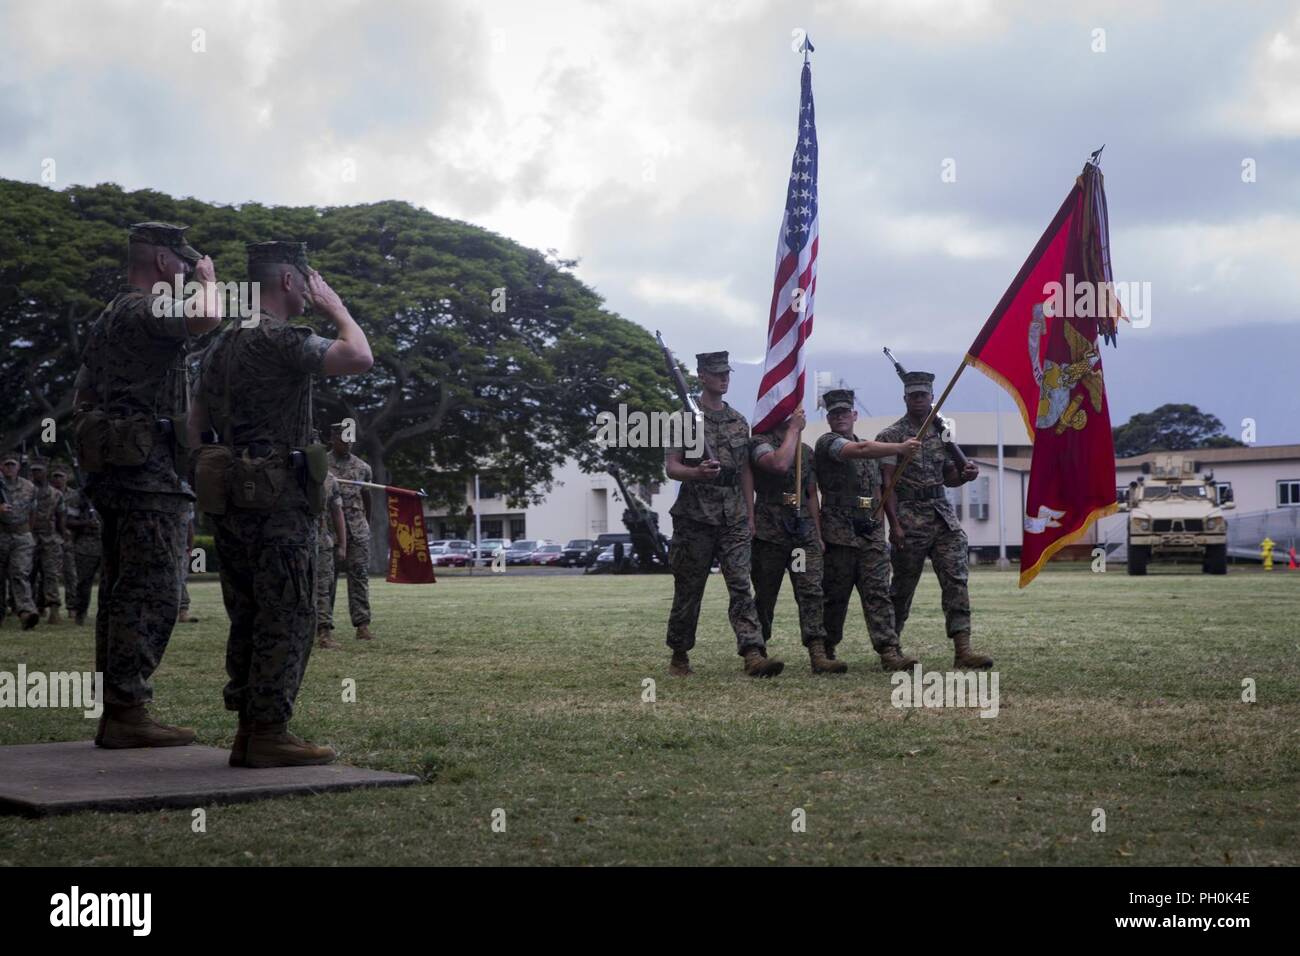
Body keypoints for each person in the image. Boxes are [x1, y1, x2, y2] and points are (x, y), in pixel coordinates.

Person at [189, 240, 372, 767]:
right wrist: (337, 310)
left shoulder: (222, 342)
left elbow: (195, 421)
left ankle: (249, 729)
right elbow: (358, 355)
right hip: (279, 501)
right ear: (290, 282)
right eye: (308, 278)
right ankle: (269, 730)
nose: (313, 287)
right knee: (290, 611)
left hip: (228, 494)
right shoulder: (280, 337)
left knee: (246, 610)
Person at [72, 221, 221, 747]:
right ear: (162, 263)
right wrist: (207, 280)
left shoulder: (110, 314)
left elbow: (83, 392)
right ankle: (128, 710)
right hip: (147, 473)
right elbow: (207, 317)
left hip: (116, 466)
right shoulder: (147, 306)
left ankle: (120, 709)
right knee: (154, 588)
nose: (186, 270)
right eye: (182, 263)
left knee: (119, 590)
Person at [663, 351, 782, 677]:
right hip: (695, 516)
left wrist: (750, 511)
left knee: (741, 585)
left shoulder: (738, 421)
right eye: (716, 374)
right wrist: (696, 472)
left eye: (726, 373)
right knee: (689, 588)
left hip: (734, 516)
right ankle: (680, 653)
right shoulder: (683, 419)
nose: (723, 378)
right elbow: (672, 467)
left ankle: (753, 652)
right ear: (701, 376)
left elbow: (745, 471)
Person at [876, 372, 993, 669]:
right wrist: (895, 525)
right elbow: (886, 485)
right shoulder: (891, 436)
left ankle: (963, 649)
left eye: (923, 395)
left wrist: (964, 476)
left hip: (943, 518)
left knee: (956, 580)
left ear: (932, 397)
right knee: (902, 588)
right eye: (913, 395)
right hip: (909, 517)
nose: (918, 400)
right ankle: (891, 649)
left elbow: (948, 478)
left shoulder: (942, 433)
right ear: (905, 398)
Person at [814, 389, 921, 671]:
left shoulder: (870, 451)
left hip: (869, 529)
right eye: (834, 413)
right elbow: (858, 451)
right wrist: (899, 448)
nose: (840, 417)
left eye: (844, 412)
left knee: (878, 592)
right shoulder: (828, 443)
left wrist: (889, 524)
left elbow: (878, 490)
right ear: (828, 419)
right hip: (838, 530)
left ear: (854, 415)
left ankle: (889, 650)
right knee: (835, 595)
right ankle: (826, 650)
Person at [750, 407, 843, 674]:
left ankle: (818, 652)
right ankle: (757, 650)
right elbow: (777, 464)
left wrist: (817, 532)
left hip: (802, 532)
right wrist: (792, 430)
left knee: (810, 590)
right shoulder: (759, 443)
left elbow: (811, 493)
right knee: (766, 594)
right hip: (770, 530)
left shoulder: (807, 452)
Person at [328, 423, 375, 641]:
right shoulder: (322, 466)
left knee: (359, 578)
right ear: (332, 438)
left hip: (357, 531)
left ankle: (362, 625)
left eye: (350, 439)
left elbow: (368, 497)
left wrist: (367, 523)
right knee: (326, 581)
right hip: (329, 532)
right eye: (342, 438)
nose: (346, 443)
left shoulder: (363, 467)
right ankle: (323, 628)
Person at [0, 454, 40, 630]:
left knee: (20, 572)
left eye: (12, 465)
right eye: (6, 465)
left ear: (18, 467)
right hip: (1, 534)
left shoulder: (29, 487)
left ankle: (26, 612)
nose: (9, 468)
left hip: (22, 536)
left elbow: (33, 512)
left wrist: (27, 532)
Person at [29, 459, 67, 624]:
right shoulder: (27, 491)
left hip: (50, 539)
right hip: (30, 537)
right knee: (29, 574)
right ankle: (31, 609)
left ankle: (54, 609)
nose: (36, 474)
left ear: (46, 472)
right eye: (34, 471)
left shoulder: (56, 494)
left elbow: (61, 516)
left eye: (39, 470)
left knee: (51, 574)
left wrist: (62, 534)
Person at [62, 475, 102, 626]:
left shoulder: (110, 494)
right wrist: (86, 523)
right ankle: (80, 613)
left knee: (109, 582)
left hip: (108, 543)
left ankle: (106, 614)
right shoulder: (78, 497)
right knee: (84, 582)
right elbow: (68, 521)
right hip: (86, 545)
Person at [315, 470, 346, 648]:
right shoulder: (286, 472)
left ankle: (324, 633)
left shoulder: (328, 478)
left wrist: (342, 544)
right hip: (294, 542)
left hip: (321, 542)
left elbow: (337, 512)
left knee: (323, 588)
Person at [49, 467, 79, 621]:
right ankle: (47, 607)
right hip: (51, 538)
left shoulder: (75, 495)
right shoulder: (48, 493)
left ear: (67, 478)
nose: (57, 479)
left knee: (71, 574)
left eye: (60, 476)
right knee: (49, 575)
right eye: (55, 476)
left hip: (69, 539)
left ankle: (72, 607)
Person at [177, 505, 199, 623]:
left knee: (181, 580)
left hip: (181, 548)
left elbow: (190, 527)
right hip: (171, 546)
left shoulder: (188, 502)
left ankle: (183, 611)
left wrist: (190, 548)